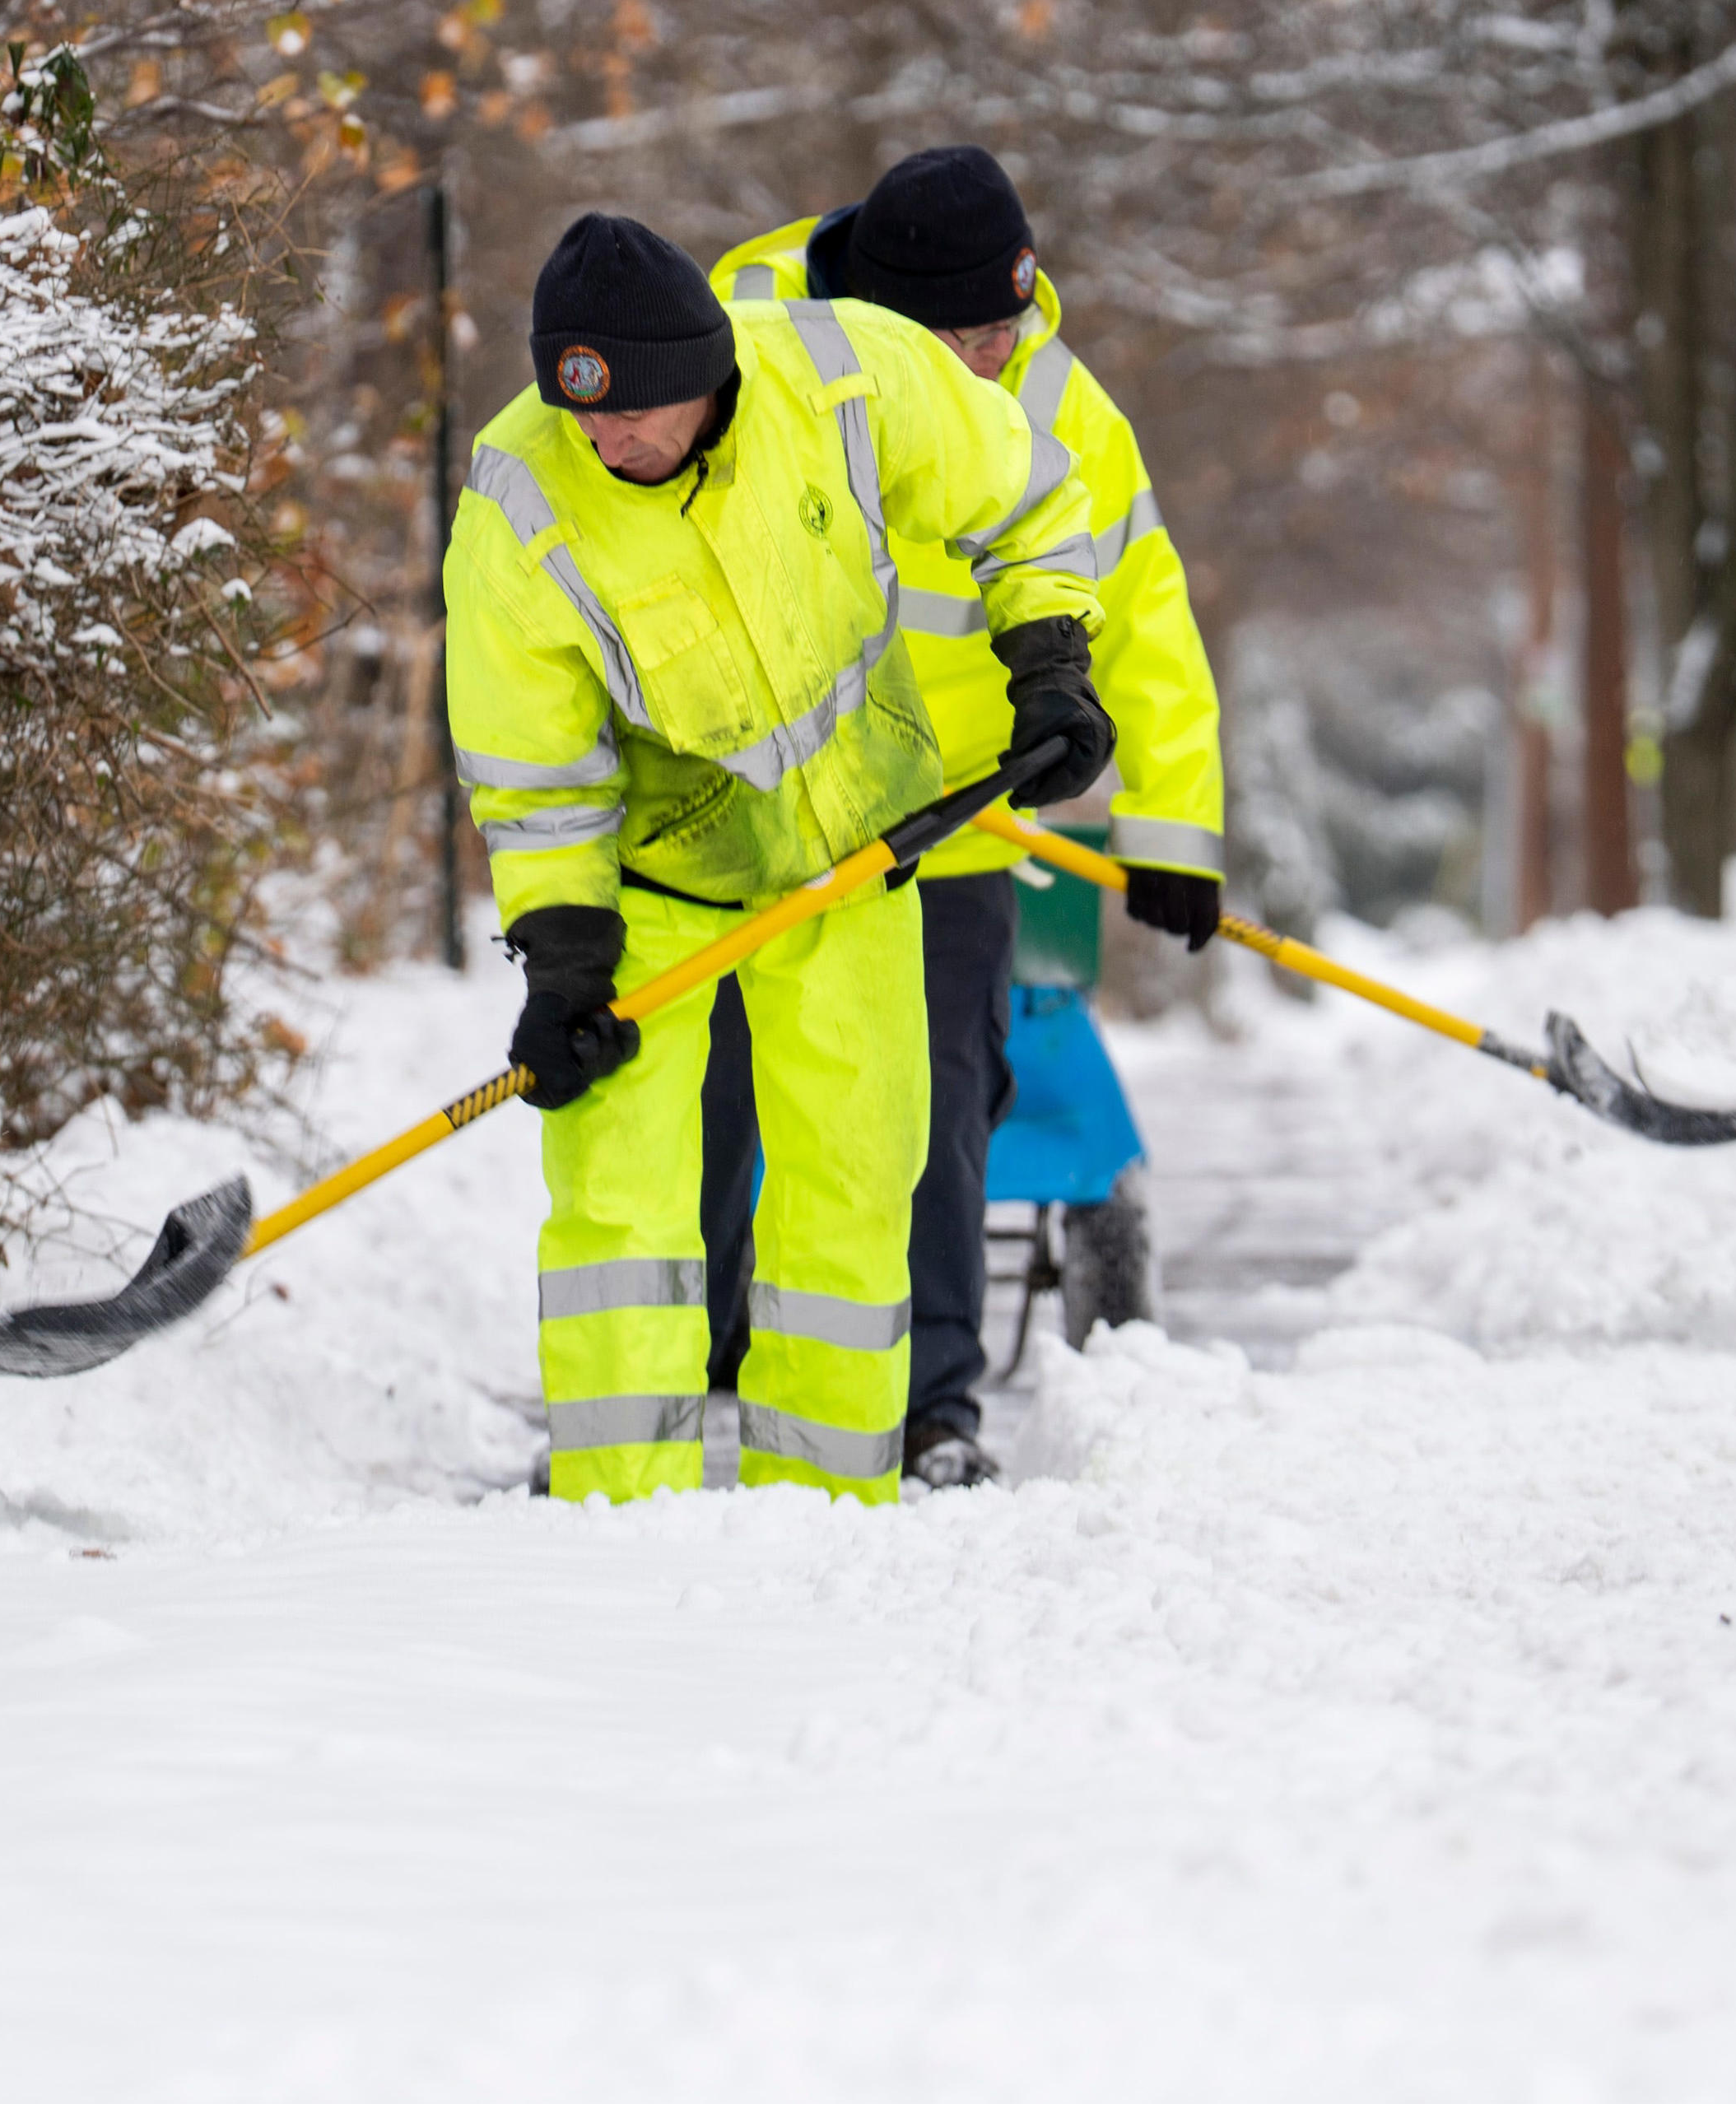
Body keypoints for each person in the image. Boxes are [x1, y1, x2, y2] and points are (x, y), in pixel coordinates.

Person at [448, 212, 1112, 1505]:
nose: (608, 440)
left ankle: (825, 1500)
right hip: (653, 882)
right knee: (620, 1205)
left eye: (636, 412)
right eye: (583, 414)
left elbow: (1025, 488)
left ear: (709, 370)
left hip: (855, 852)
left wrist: (1049, 656)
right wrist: (565, 953)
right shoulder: (521, 496)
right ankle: (612, 1506)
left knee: (857, 1180)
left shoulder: (847, 375)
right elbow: (532, 764)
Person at [706, 147, 1227, 1489]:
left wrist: (1174, 827)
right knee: (715, 1085)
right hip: (747, 794)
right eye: (974, 334)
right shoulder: (743, 326)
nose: (1005, 350)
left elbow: (1149, 610)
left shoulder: (1062, 403)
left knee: (935, 1100)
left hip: (949, 807)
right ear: (888, 314)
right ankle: (701, 1363)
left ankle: (938, 1402)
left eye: (1018, 314)